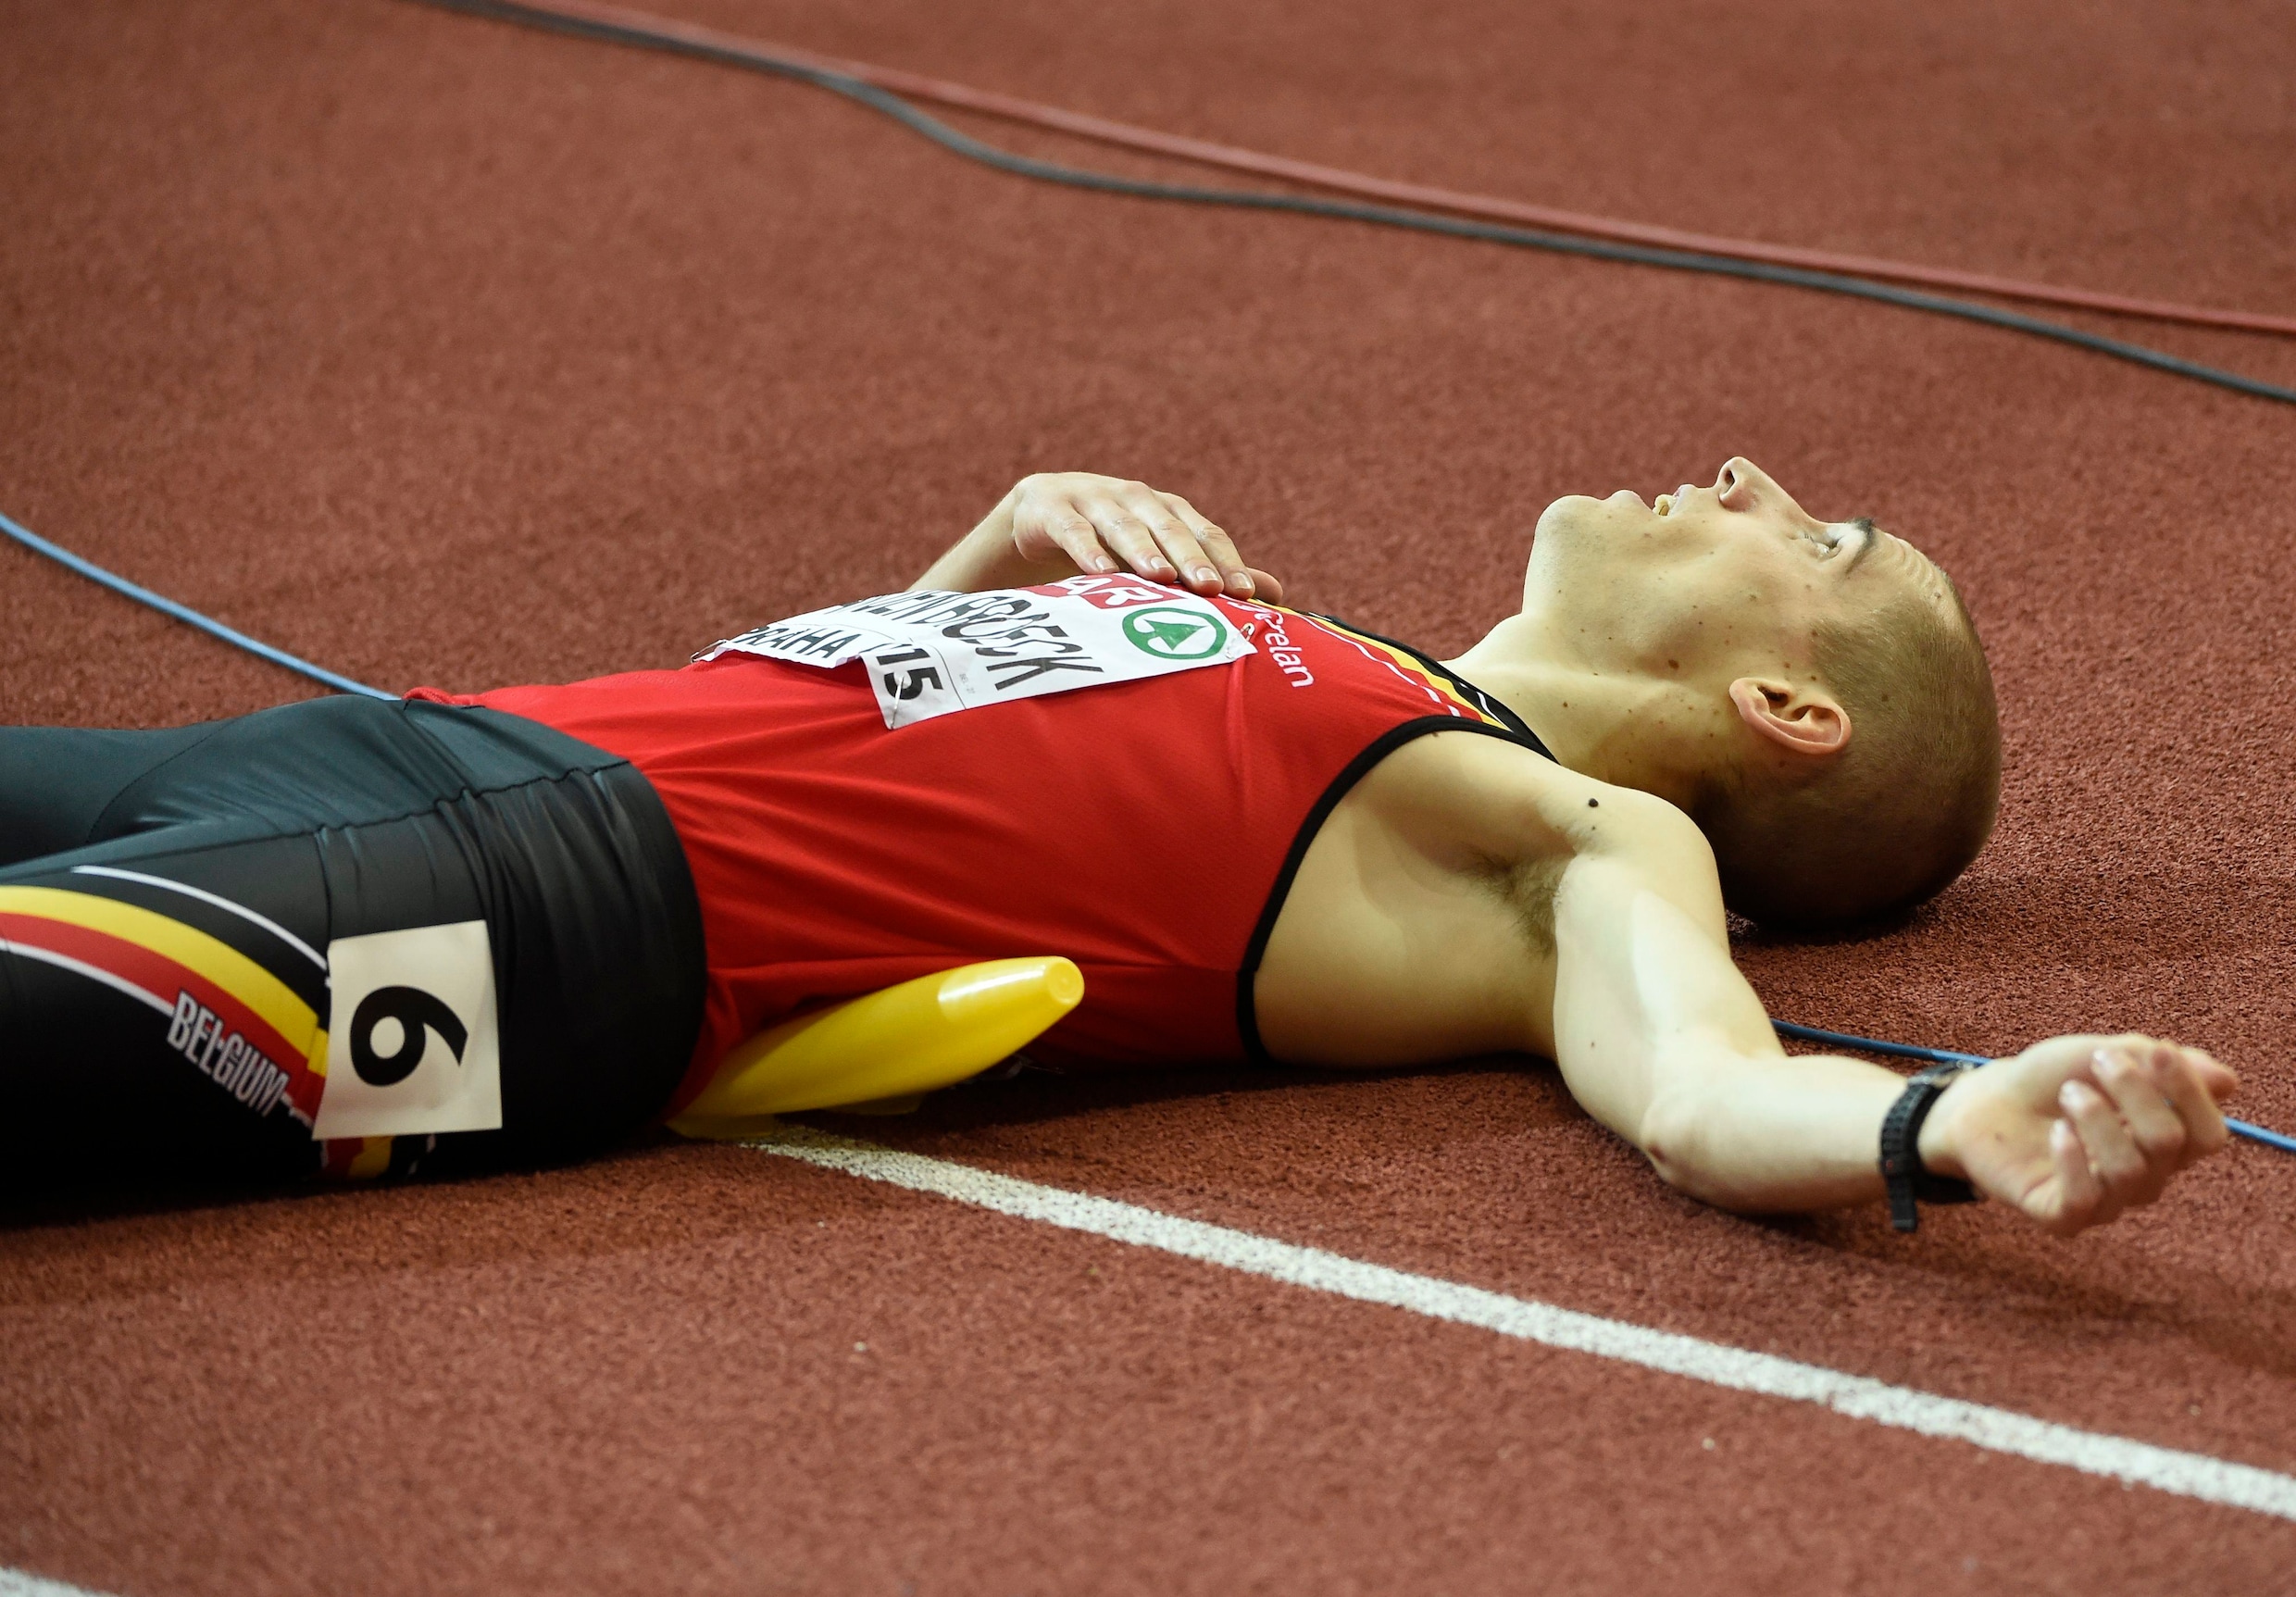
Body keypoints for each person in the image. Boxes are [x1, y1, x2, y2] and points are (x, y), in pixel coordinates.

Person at [0, 460, 2237, 1231]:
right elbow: (849, 751)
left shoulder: (1568, 831)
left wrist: (1940, 1125)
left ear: (1789, 713)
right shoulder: (1311, 637)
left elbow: (1697, 1087)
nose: (1748, 478)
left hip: (512, 925)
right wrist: (986, 561)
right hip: (394, 750)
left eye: (1816, 539)